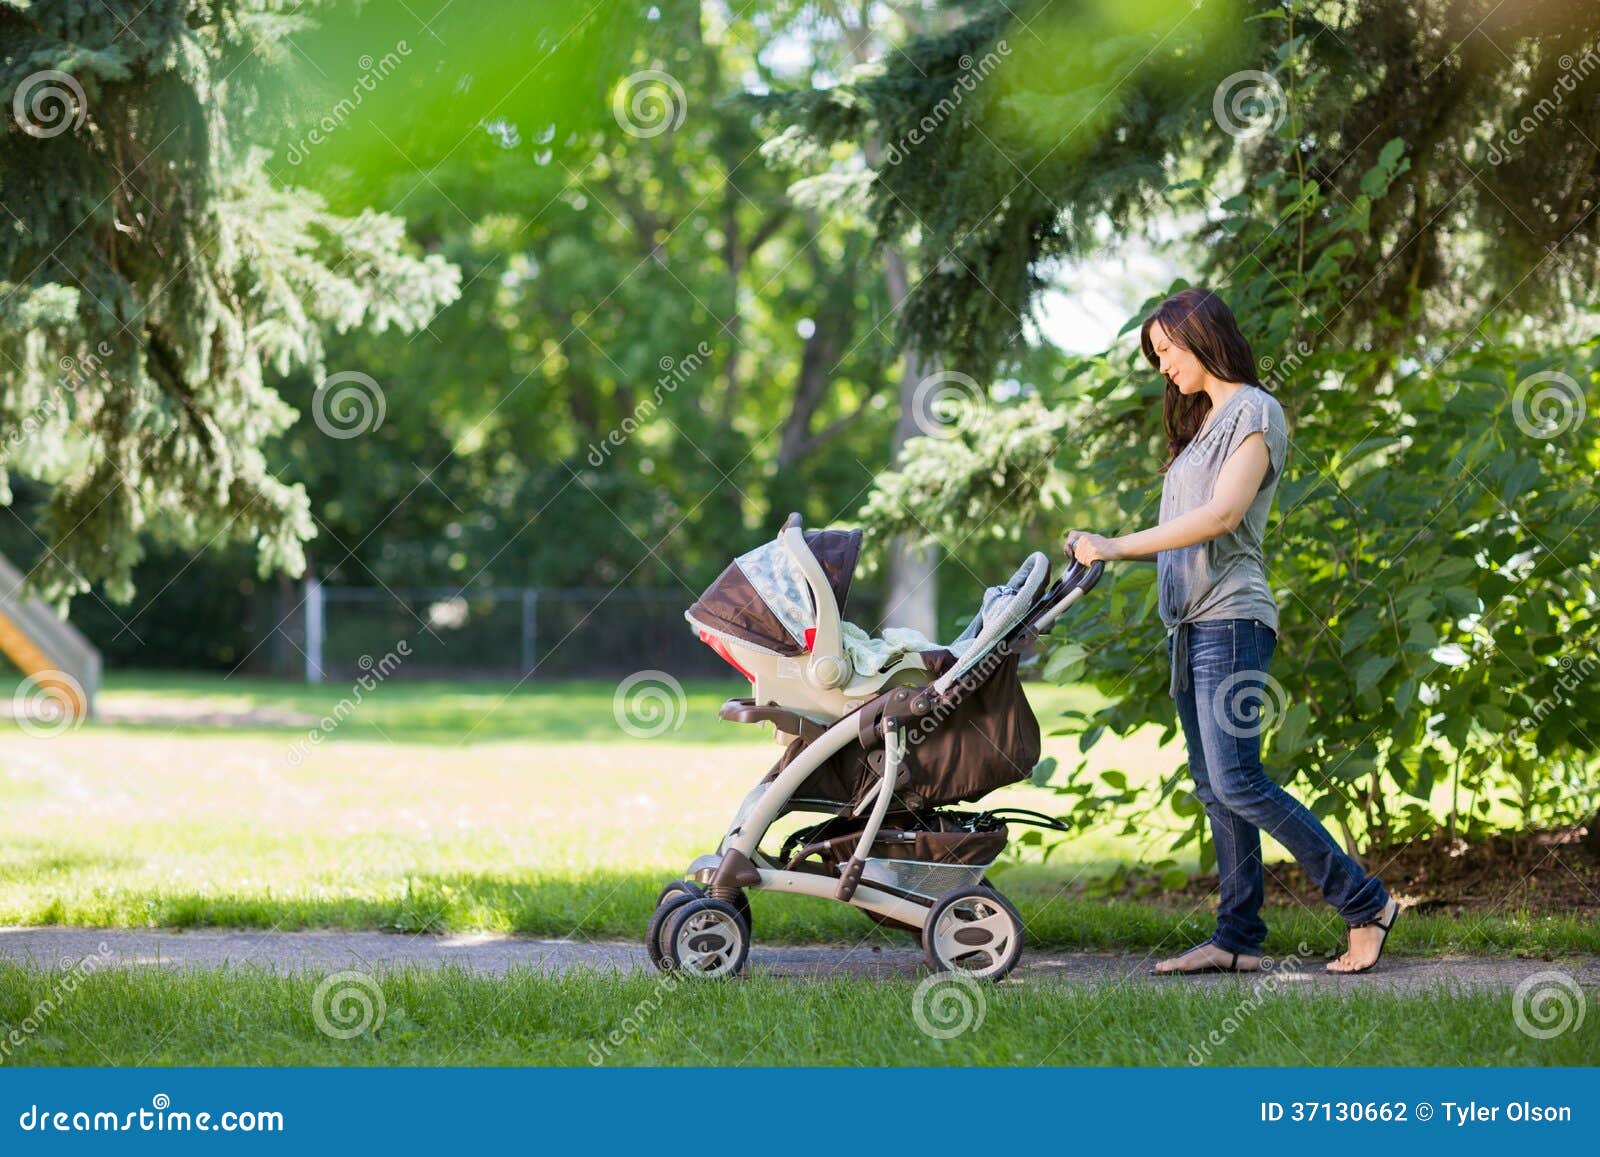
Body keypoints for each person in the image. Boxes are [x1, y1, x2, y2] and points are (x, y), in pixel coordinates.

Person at [1064, 287, 1401, 975]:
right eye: (1155, 356)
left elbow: (1222, 516)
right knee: (1216, 786)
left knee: (1240, 778)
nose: (1162, 368)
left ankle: (1366, 903)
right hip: (1191, 627)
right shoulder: (1201, 428)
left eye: (1166, 351)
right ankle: (1238, 934)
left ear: (1202, 337)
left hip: (1233, 619)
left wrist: (1117, 543)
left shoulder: (1255, 410)